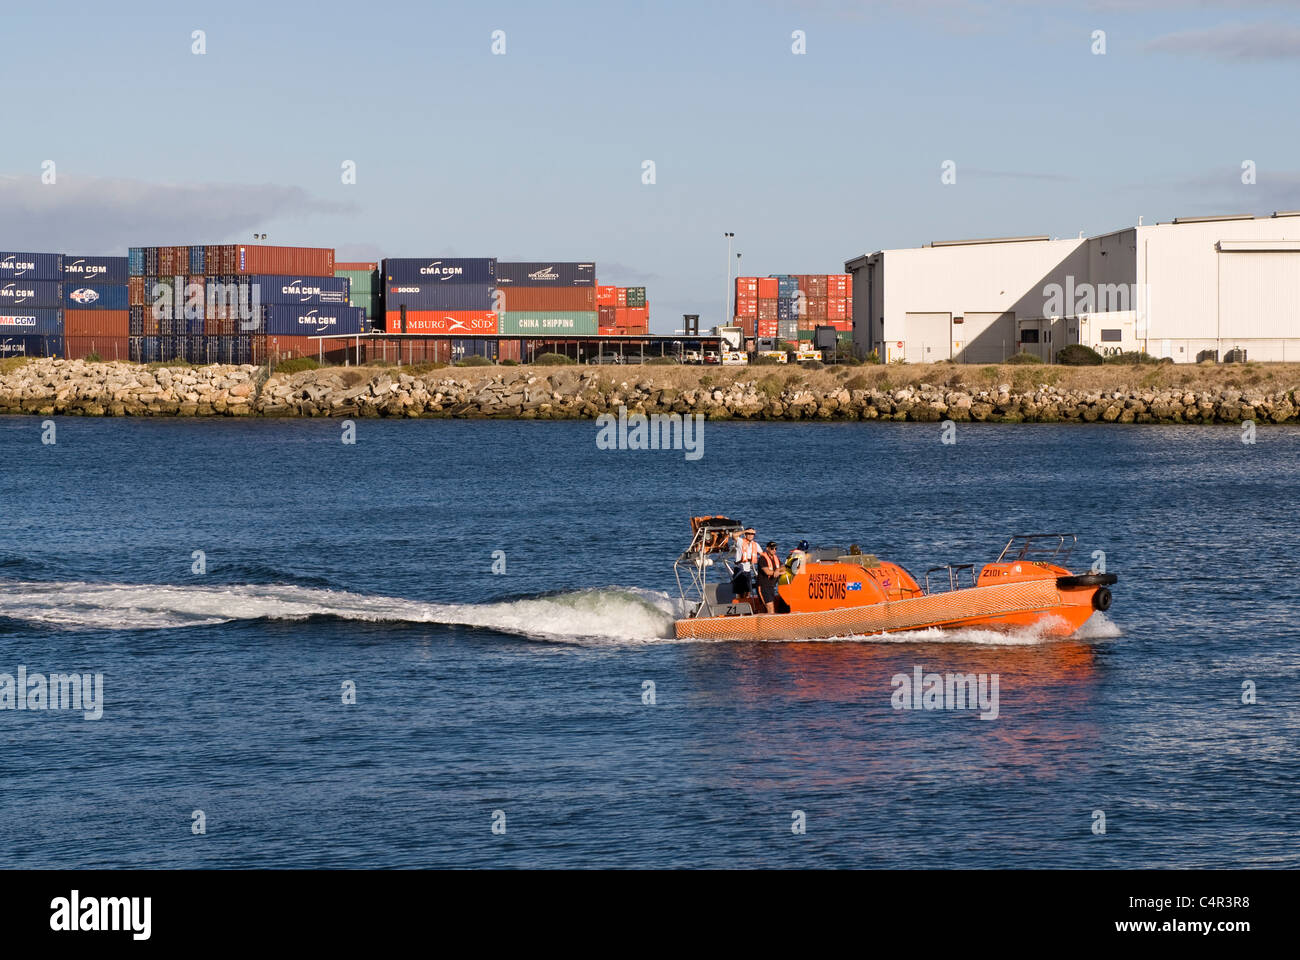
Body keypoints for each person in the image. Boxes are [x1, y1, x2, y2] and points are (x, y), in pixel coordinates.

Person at [732, 527, 759, 599]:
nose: (750, 535)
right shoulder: (740, 541)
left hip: (748, 570)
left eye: (752, 534)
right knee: (740, 592)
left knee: (748, 592)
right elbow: (734, 535)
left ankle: (747, 603)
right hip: (739, 569)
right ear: (745, 534)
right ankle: (739, 605)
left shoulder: (755, 544)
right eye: (749, 533)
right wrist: (745, 531)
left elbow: (762, 554)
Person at [756, 540, 782, 613]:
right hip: (763, 586)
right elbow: (767, 572)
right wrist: (777, 572)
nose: (774, 550)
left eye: (775, 549)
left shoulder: (775, 558)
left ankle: (769, 621)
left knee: (771, 606)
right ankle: (770, 622)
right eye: (772, 548)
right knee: (770, 606)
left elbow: (783, 566)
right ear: (767, 548)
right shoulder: (762, 559)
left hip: (771, 586)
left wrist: (778, 570)